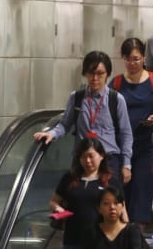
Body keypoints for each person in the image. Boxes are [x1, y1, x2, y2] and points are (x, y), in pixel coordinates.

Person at [34, 51, 133, 184]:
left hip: (108, 160)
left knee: (109, 203)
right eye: (91, 72)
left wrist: (126, 165)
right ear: (85, 73)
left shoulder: (116, 100)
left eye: (100, 73)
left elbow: (126, 133)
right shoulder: (77, 97)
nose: (95, 78)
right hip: (82, 160)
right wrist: (51, 134)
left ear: (107, 74)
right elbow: (65, 125)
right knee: (79, 202)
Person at [113, 38, 153, 236]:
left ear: (144, 58)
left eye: (137, 59)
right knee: (123, 182)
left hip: (148, 142)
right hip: (123, 143)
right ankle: (121, 224)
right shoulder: (118, 83)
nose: (133, 64)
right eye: (129, 59)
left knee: (142, 183)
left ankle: (139, 226)